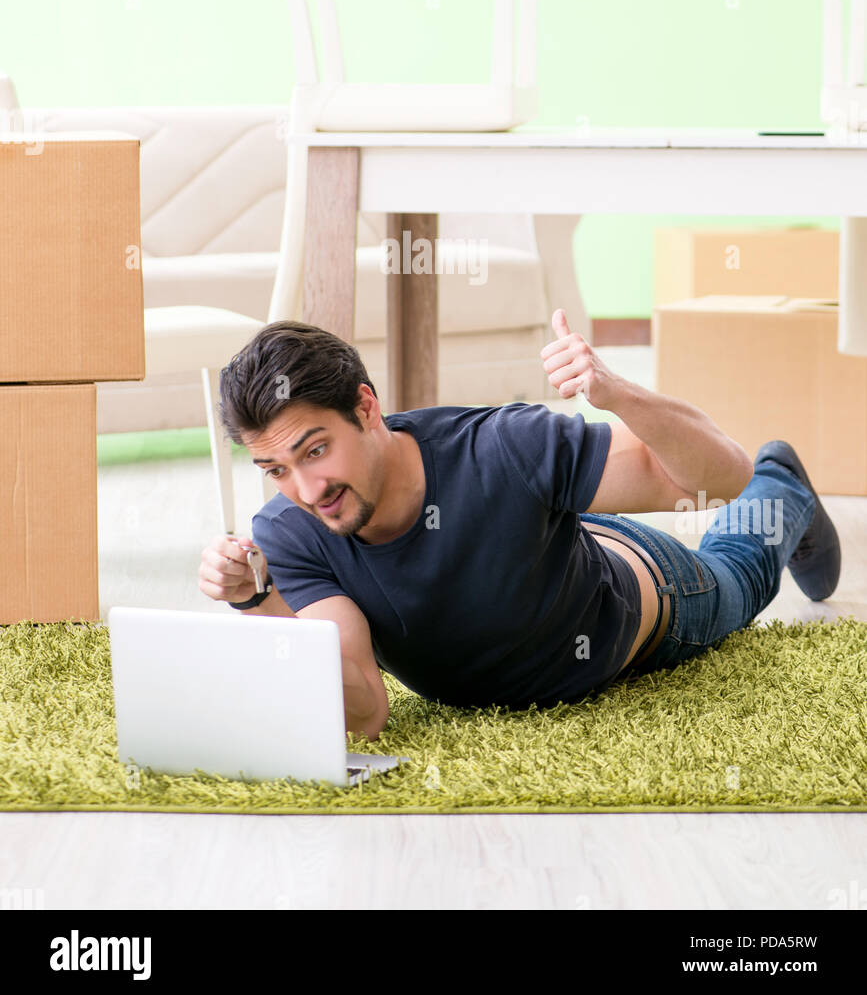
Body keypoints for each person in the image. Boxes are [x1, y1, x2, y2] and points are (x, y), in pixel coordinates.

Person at [198, 312, 842, 741]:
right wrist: (256, 603)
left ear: (366, 408)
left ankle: (782, 482)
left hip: (646, 595)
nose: (308, 491)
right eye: (275, 469)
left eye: (315, 450)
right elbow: (365, 709)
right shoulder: (290, 529)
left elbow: (718, 479)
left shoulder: (504, 446)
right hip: (537, 538)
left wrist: (616, 394)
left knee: (739, 566)